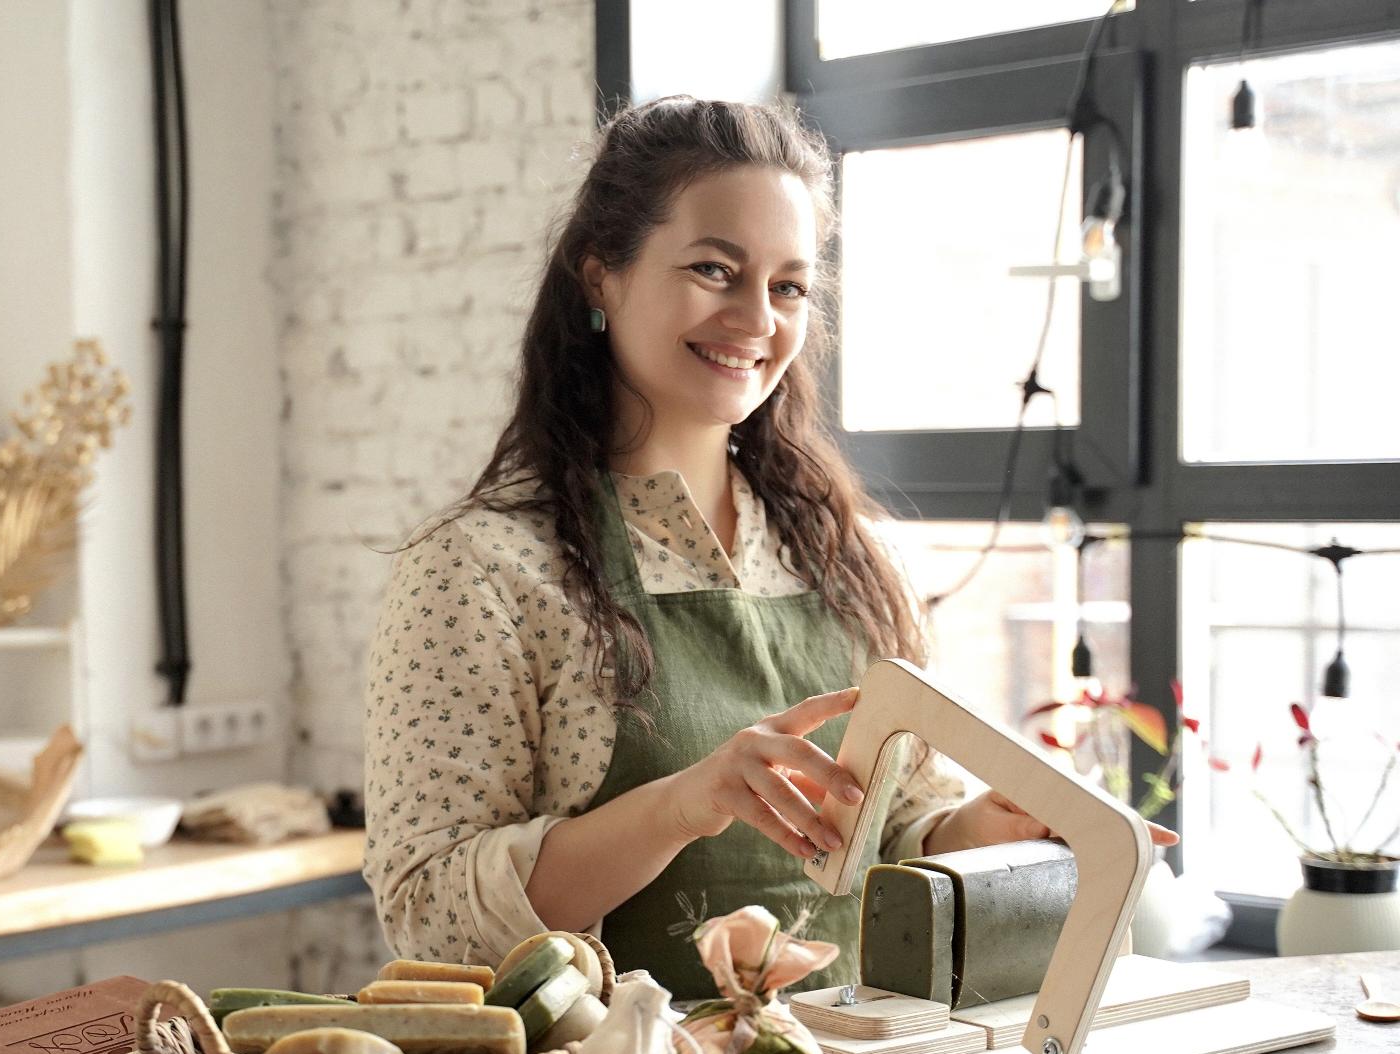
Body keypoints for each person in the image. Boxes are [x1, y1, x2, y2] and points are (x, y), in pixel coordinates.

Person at [360, 97, 1172, 999]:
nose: (756, 317)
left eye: (788, 286)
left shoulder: (846, 554)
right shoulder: (480, 570)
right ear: (601, 277)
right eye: (715, 269)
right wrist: (682, 805)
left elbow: (892, 828)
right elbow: (430, 911)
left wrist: (974, 830)